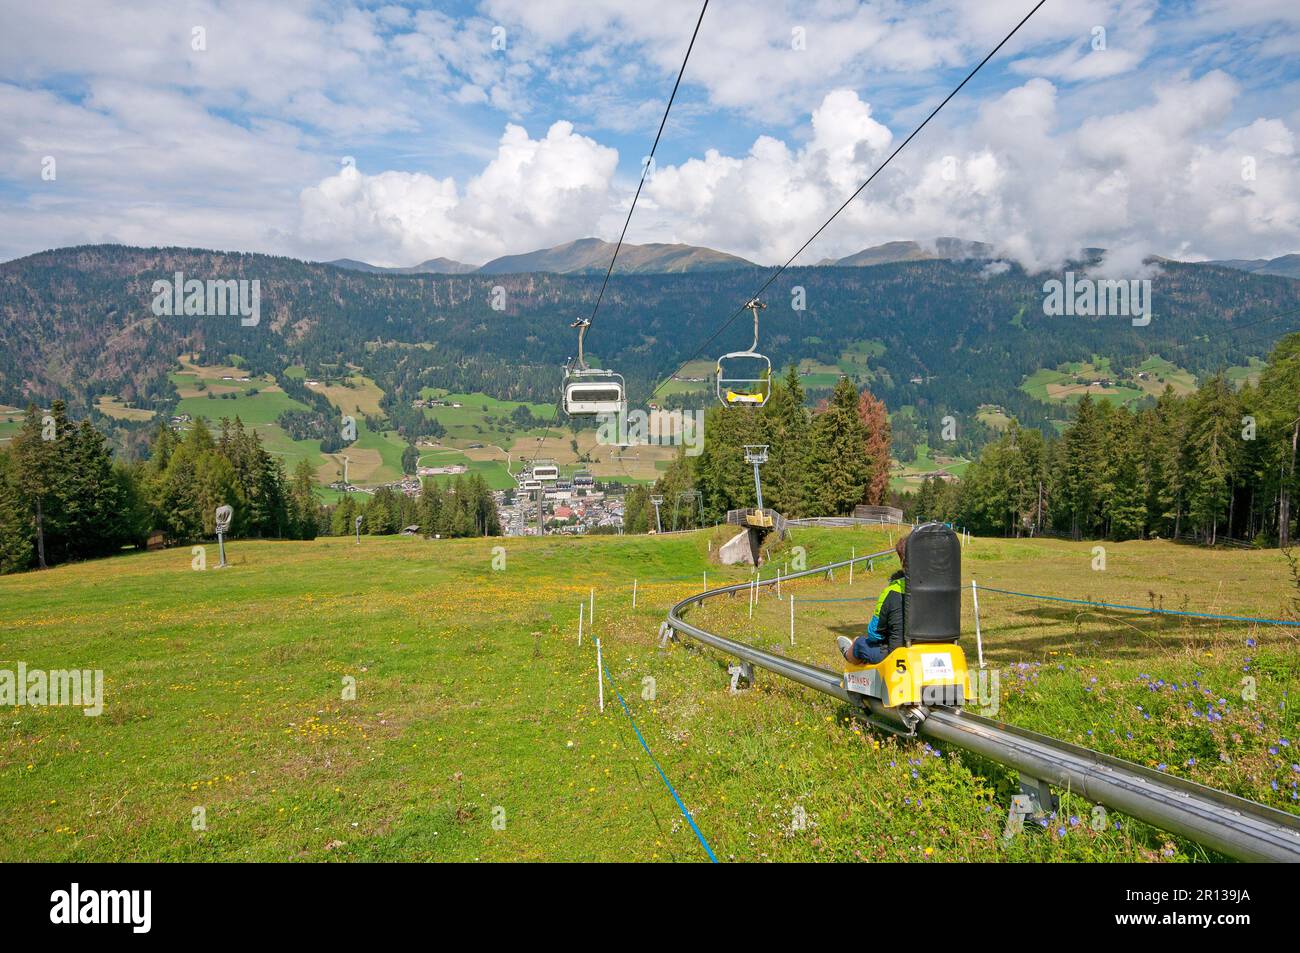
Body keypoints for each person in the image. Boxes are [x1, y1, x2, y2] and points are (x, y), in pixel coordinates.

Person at [837, 534, 907, 665]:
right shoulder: (941, 590)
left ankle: (849, 654)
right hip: (934, 654)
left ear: (903, 562)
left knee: (859, 643)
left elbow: (874, 634)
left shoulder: (892, 592)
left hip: (897, 658)